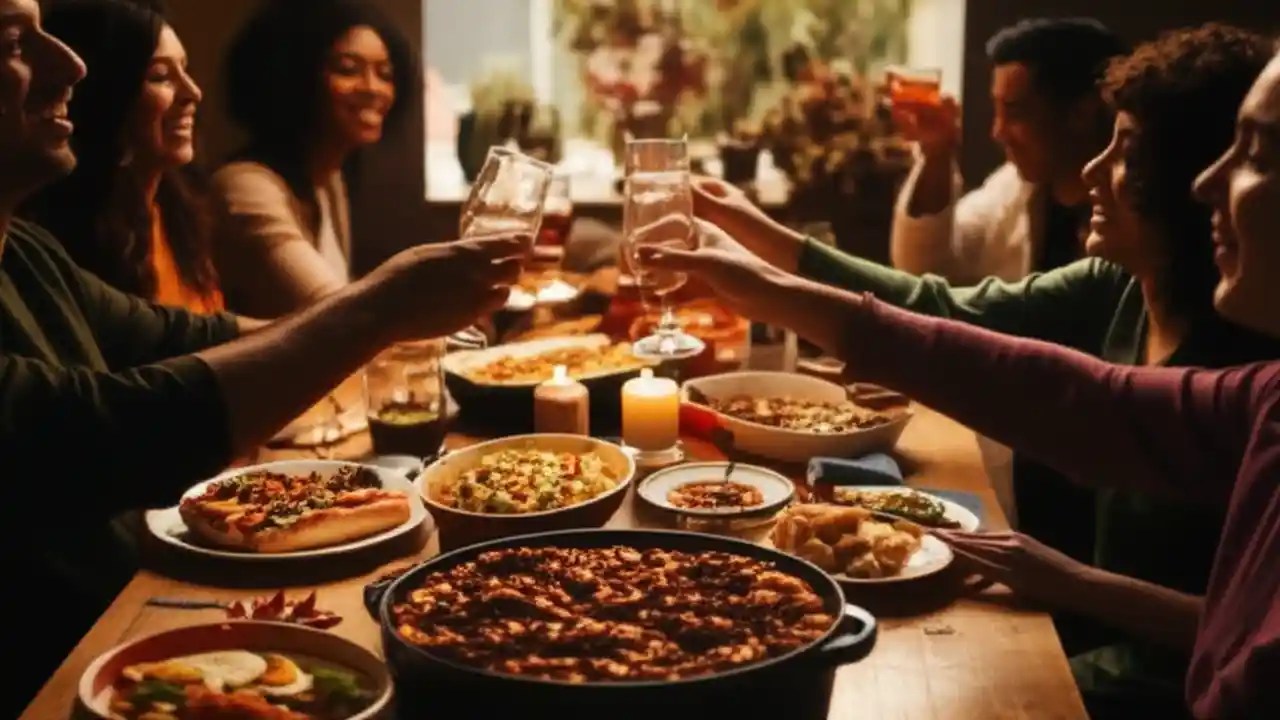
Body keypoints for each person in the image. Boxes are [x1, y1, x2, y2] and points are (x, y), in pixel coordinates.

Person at [639, 41, 1280, 720]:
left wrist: (1076, 585)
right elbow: (1068, 397)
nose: (1212, 182)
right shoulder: (1256, 386)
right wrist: (771, 272)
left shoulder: (1246, 354)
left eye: (1260, 155)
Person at [0, 1, 523, 713]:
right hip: (64, 677)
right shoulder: (241, 186)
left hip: (141, 613)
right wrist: (378, 309)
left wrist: (380, 312)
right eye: (13, 40)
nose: (71, 65)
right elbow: (101, 429)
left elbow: (187, 338)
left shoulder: (25, 252)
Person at [212, 0, 414, 317]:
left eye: (385, 73)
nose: (374, 88)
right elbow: (334, 310)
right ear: (293, 76)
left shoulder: (331, 178)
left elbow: (343, 293)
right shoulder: (243, 186)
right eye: (348, 70)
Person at [21, 0, 221, 312]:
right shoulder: (65, 243)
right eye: (160, 77)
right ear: (108, 94)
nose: (192, 92)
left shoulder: (176, 210)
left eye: (185, 69)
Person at [892, 17, 1125, 283]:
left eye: (1014, 112)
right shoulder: (1012, 191)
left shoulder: (1143, 215)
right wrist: (937, 152)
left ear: (1081, 112)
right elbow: (925, 266)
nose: (998, 132)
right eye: (997, 110)